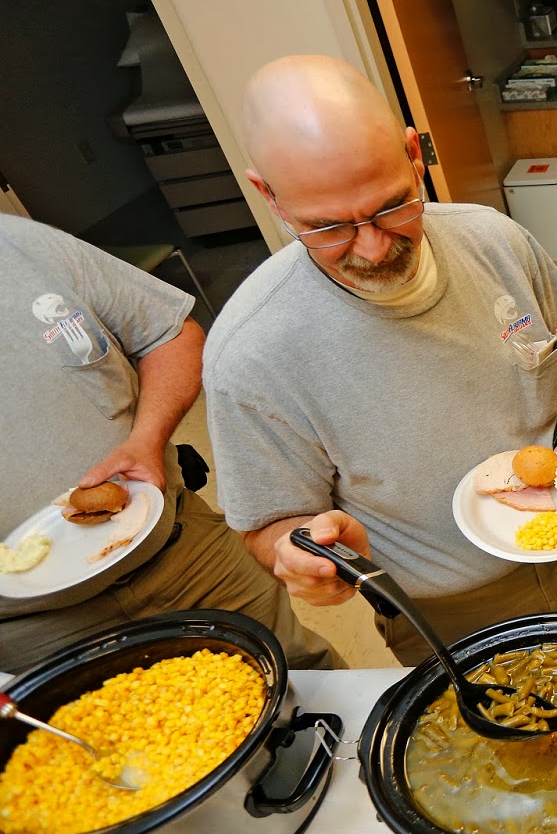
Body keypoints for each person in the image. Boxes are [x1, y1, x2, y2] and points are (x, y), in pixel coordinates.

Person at [204, 55, 557, 666]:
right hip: (446, 609)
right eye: (327, 227)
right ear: (268, 196)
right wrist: (302, 554)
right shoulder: (251, 354)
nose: (373, 247)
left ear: (415, 156)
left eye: (392, 206)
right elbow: (269, 525)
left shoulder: (495, 239)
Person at [0, 214, 338, 672]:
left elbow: (169, 334)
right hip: (33, 632)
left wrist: (146, 438)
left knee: (303, 675)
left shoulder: (20, 244)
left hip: (184, 549)